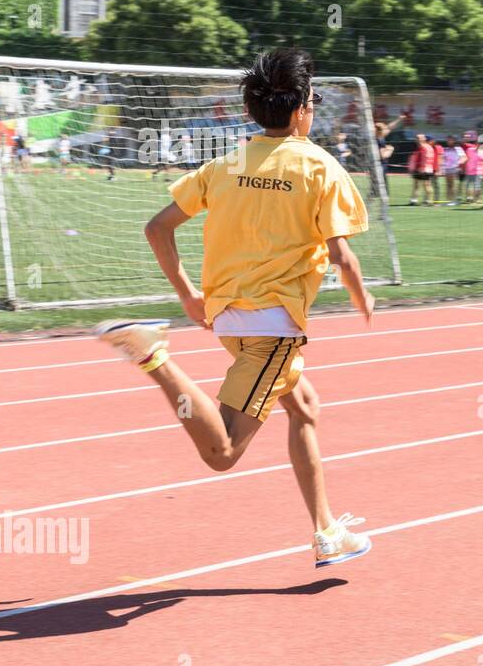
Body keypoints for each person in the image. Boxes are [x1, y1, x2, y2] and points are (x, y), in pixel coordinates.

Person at [92, 47, 372, 568]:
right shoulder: (318, 166)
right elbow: (342, 256)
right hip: (273, 329)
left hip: (227, 317)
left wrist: (187, 294)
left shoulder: (229, 163)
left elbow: (157, 228)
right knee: (222, 453)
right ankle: (154, 356)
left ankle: (326, 529)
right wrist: (363, 298)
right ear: (303, 109)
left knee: (304, 407)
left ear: (252, 111)